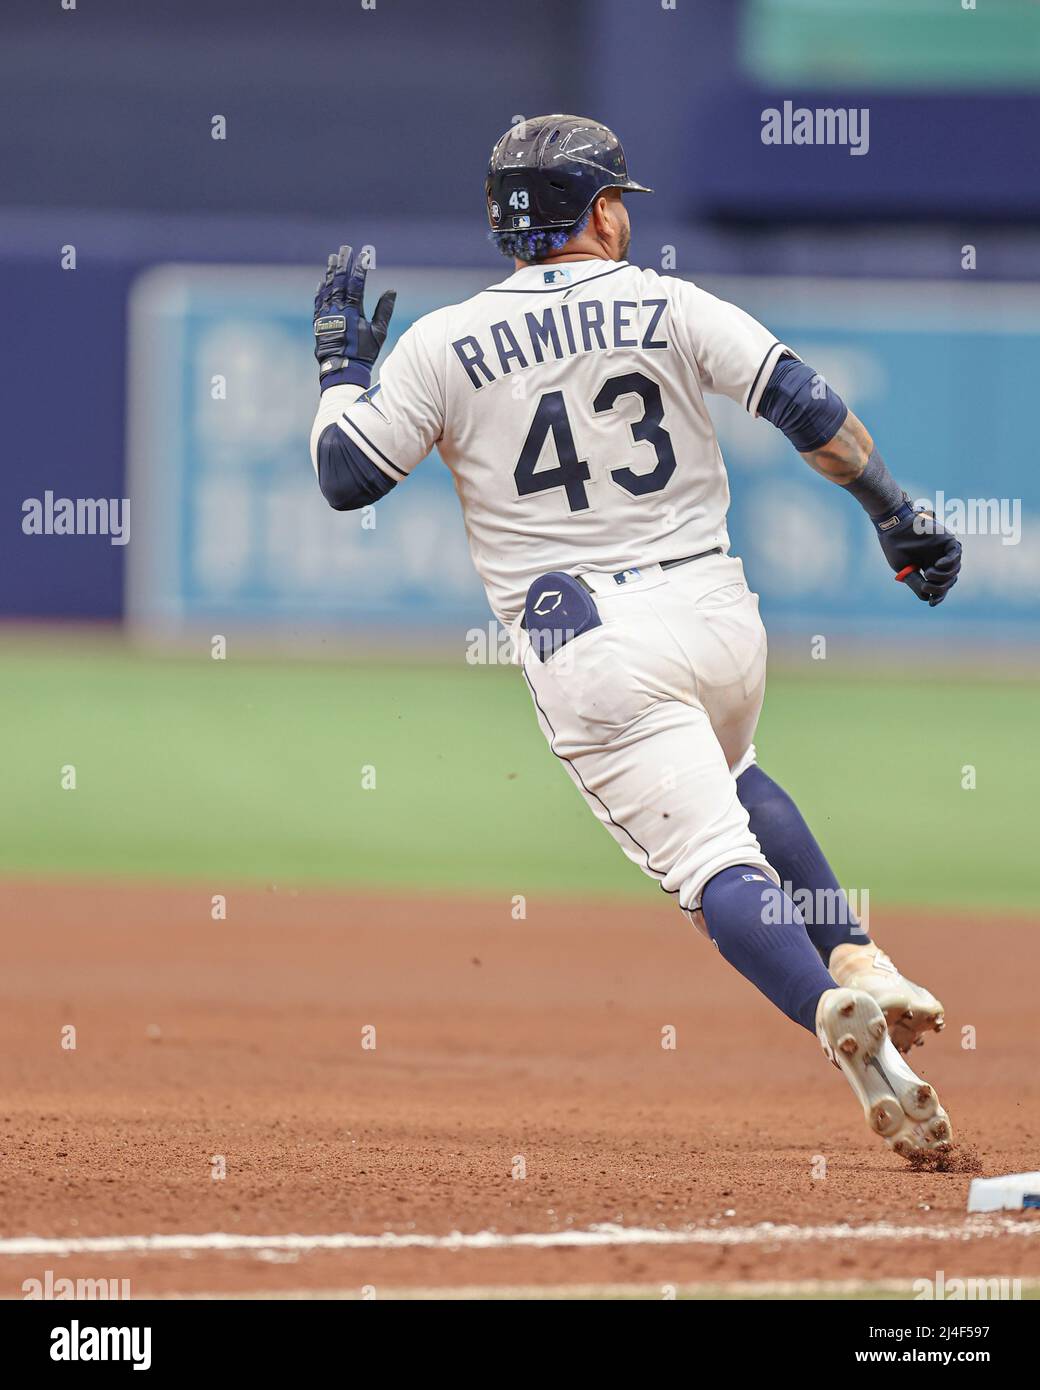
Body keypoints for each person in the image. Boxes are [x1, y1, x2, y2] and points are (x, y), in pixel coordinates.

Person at [308, 115, 962, 1157]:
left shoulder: (439, 343)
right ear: (601, 212)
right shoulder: (666, 300)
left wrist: (341, 371)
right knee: (735, 769)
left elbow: (347, 477)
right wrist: (894, 510)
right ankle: (856, 961)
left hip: (593, 645)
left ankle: (821, 1008)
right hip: (717, 618)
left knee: (712, 862)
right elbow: (808, 406)